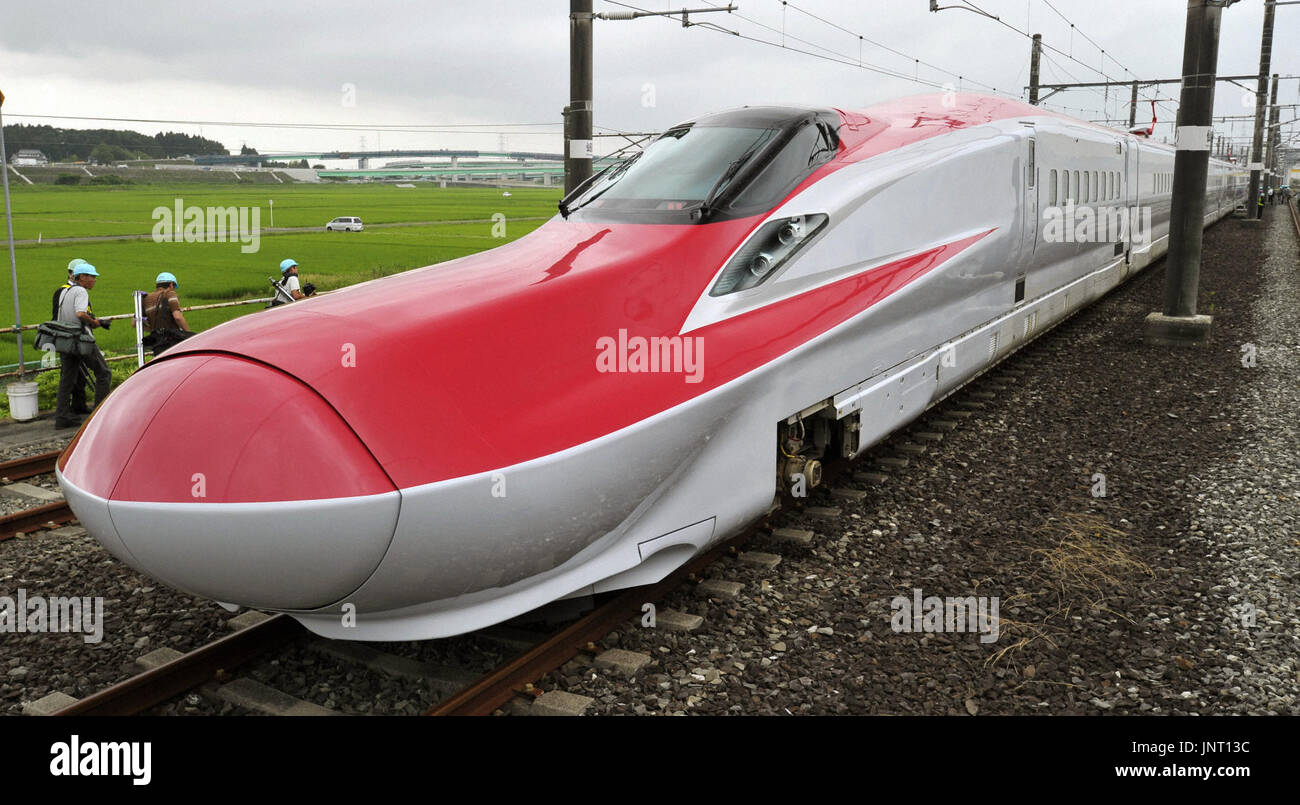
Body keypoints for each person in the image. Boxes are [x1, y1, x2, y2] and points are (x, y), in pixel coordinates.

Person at [54, 263, 112, 428]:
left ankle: (62, 417)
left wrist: (95, 323)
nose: (94, 280)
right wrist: (94, 322)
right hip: (80, 340)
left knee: (67, 378)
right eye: (92, 277)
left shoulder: (64, 291)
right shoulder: (80, 291)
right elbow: (80, 313)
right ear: (83, 277)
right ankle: (99, 416)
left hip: (65, 340)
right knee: (104, 373)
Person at [53, 258, 92, 415]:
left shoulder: (79, 290)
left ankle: (79, 404)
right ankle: (65, 411)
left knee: (80, 375)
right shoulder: (64, 291)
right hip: (70, 337)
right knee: (69, 376)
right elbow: (59, 315)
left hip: (81, 336)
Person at [142, 272, 194, 356]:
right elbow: (177, 317)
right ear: (171, 285)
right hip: (171, 341)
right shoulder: (170, 293)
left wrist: (152, 329)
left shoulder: (146, 299)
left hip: (156, 341)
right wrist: (189, 334)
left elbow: (135, 323)